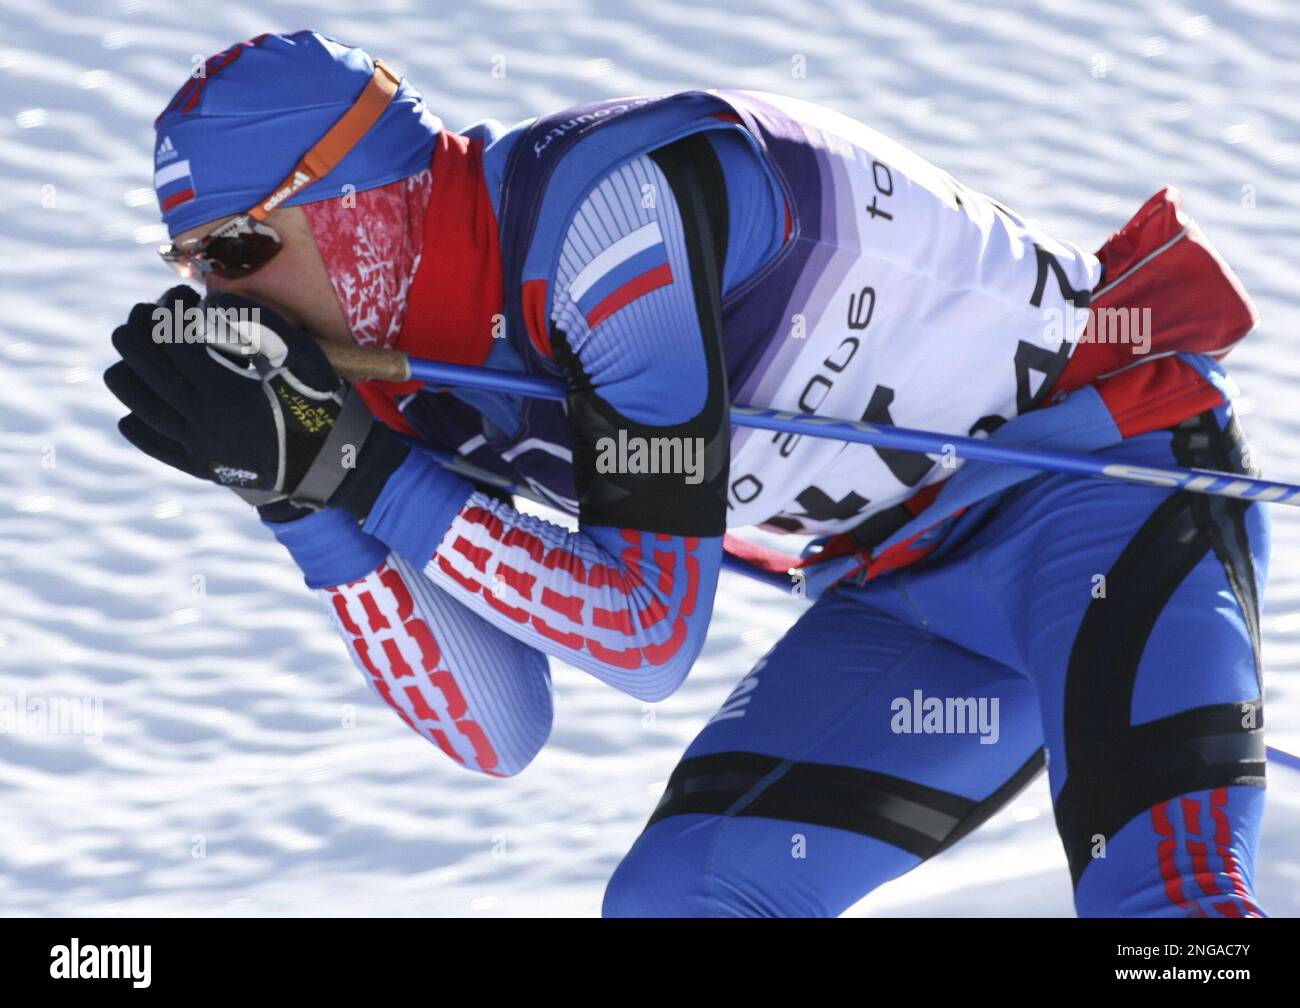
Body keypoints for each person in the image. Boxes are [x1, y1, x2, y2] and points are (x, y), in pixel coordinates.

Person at [104, 30, 1269, 917]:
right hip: (913, 590)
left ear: (368, 201)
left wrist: (356, 476)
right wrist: (300, 496)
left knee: (1165, 921)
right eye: (196, 269)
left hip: (1104, 485)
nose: (224, 301)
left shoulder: (611, 225)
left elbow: (647, 634)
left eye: (242, 248)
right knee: (685, 897)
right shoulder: (390, 372)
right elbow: (498, 730)